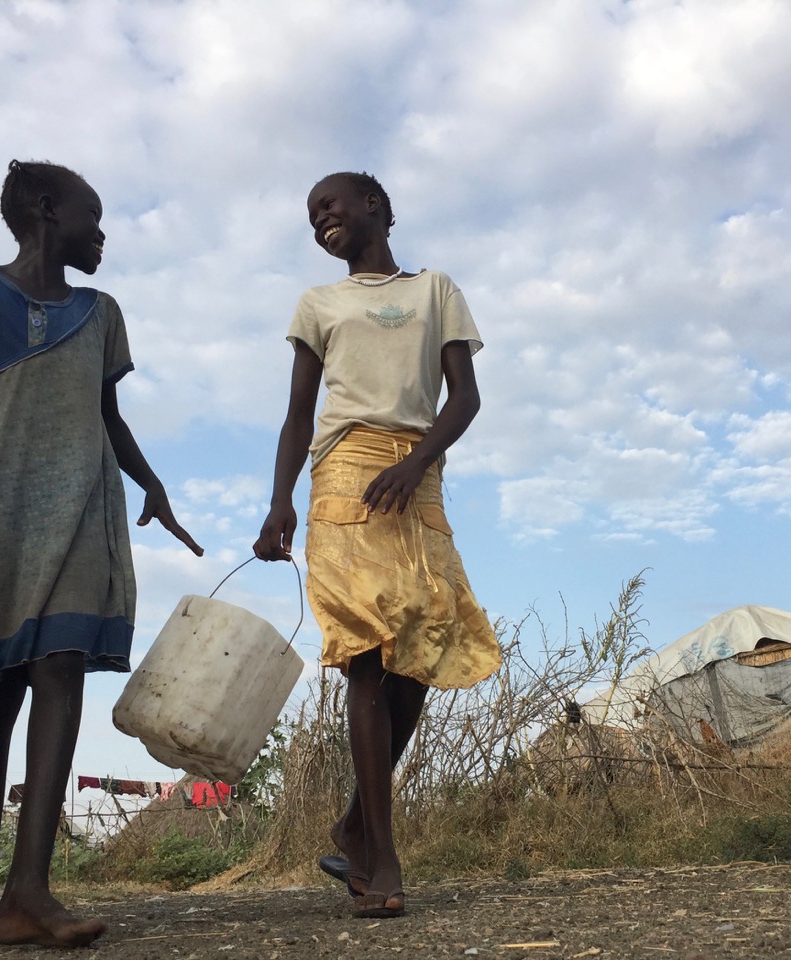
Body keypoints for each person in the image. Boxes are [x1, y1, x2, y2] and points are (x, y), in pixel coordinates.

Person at [0, 160, 203, 948]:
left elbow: (107, 415)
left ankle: (30, 887)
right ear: (44, 210)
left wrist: (153, 483)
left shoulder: (101, 313)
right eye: (91, 219)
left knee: (59, 666)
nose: (102, 236)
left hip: (82, 504)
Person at [253, 171, 502, 919]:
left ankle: (356, 823)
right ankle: (382, 859)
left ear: (376, 208)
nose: (320, 217)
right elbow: (299, 415)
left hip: (416, 474)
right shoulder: (318, 305)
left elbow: (465, 399)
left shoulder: (436, 290)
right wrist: (279, 504)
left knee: (422, 650)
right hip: (345, 474)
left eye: (332, 203)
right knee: (366, 651)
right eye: (310, 213)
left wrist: (417, 463)